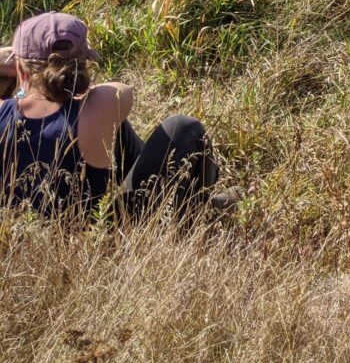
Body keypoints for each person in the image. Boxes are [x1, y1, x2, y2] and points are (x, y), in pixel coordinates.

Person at [0, 12, 223, 220]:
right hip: (99, 235)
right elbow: (120, 91)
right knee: (182, 126)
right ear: (82, 66)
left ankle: (210, 207)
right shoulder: (101, 107)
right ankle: (201, 211)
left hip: (24, 233)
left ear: (19, 70)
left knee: (119, 128)